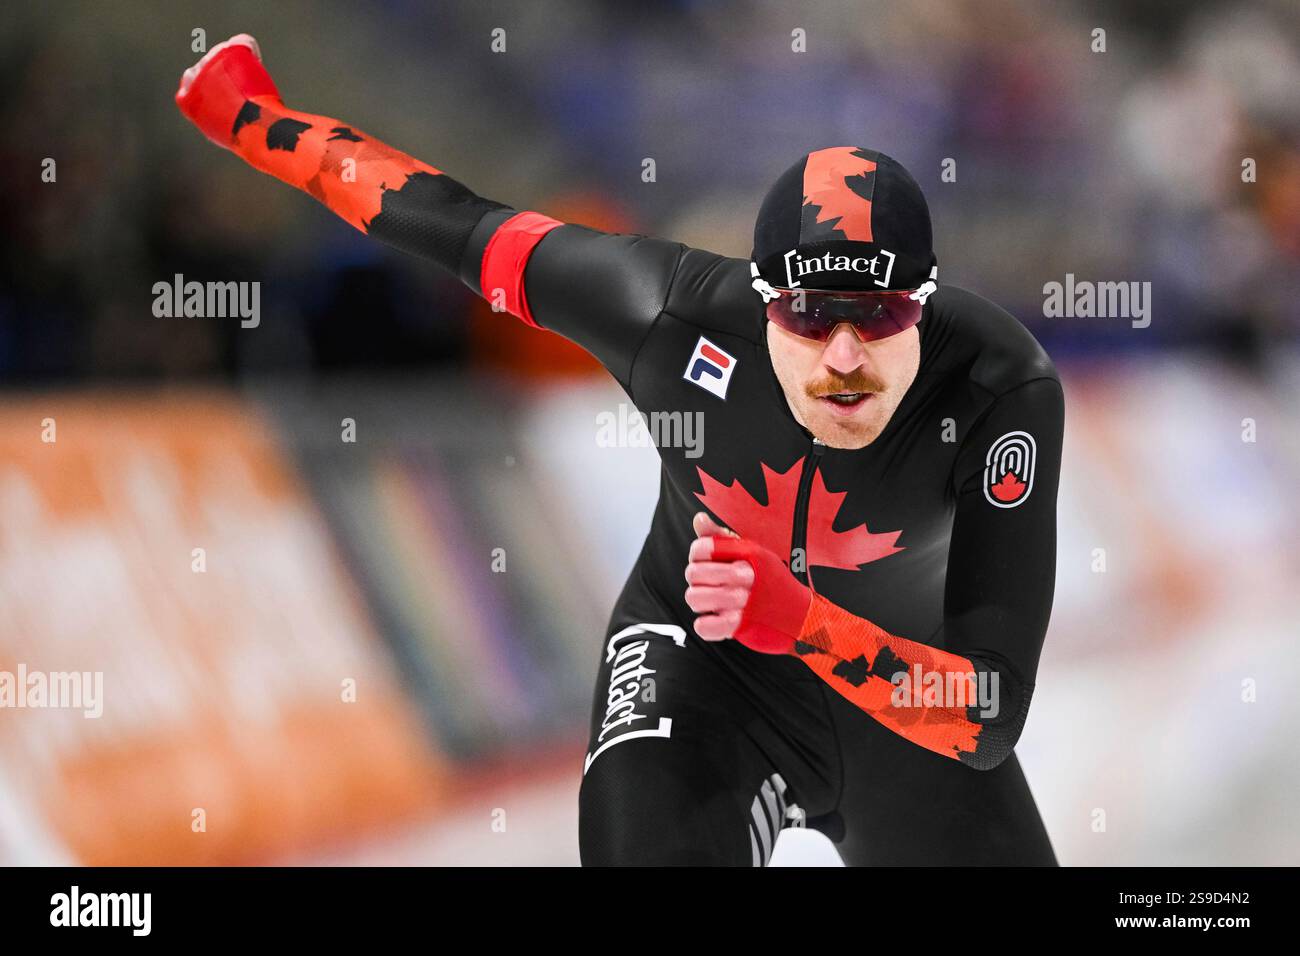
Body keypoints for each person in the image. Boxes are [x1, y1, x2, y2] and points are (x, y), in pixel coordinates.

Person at [177, 35, 1064, 866]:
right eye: (805, 316)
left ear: (926, 304)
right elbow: (438, 215)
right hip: (705, 677)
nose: (842, 358)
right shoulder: (663, 313)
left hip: (894, 696)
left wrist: (800, 622)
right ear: (757, 304)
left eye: (878, 315)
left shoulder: (998, 389)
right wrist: (251, 118)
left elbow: (988, 715)